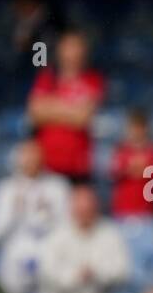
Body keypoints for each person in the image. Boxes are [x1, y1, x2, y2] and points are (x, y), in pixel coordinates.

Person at [26, 28, 104, 181]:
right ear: (60, 49)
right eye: (68, 46)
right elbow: (34, 113)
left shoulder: (93, 79)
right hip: (46, 168)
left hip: (76, 169)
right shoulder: (46, 78)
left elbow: (82, 118)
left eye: (76, 46)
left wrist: (50, 107)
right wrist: (71, 108)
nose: (72, 52)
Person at [108, 108, 153, 219]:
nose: (136, 131)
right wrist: (140, 168)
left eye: (139, 127)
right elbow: (114, 172)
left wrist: (132, 168)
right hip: (121, 211)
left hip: (146, 212)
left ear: (145, 129)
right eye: (133, 127)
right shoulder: (121, 149)